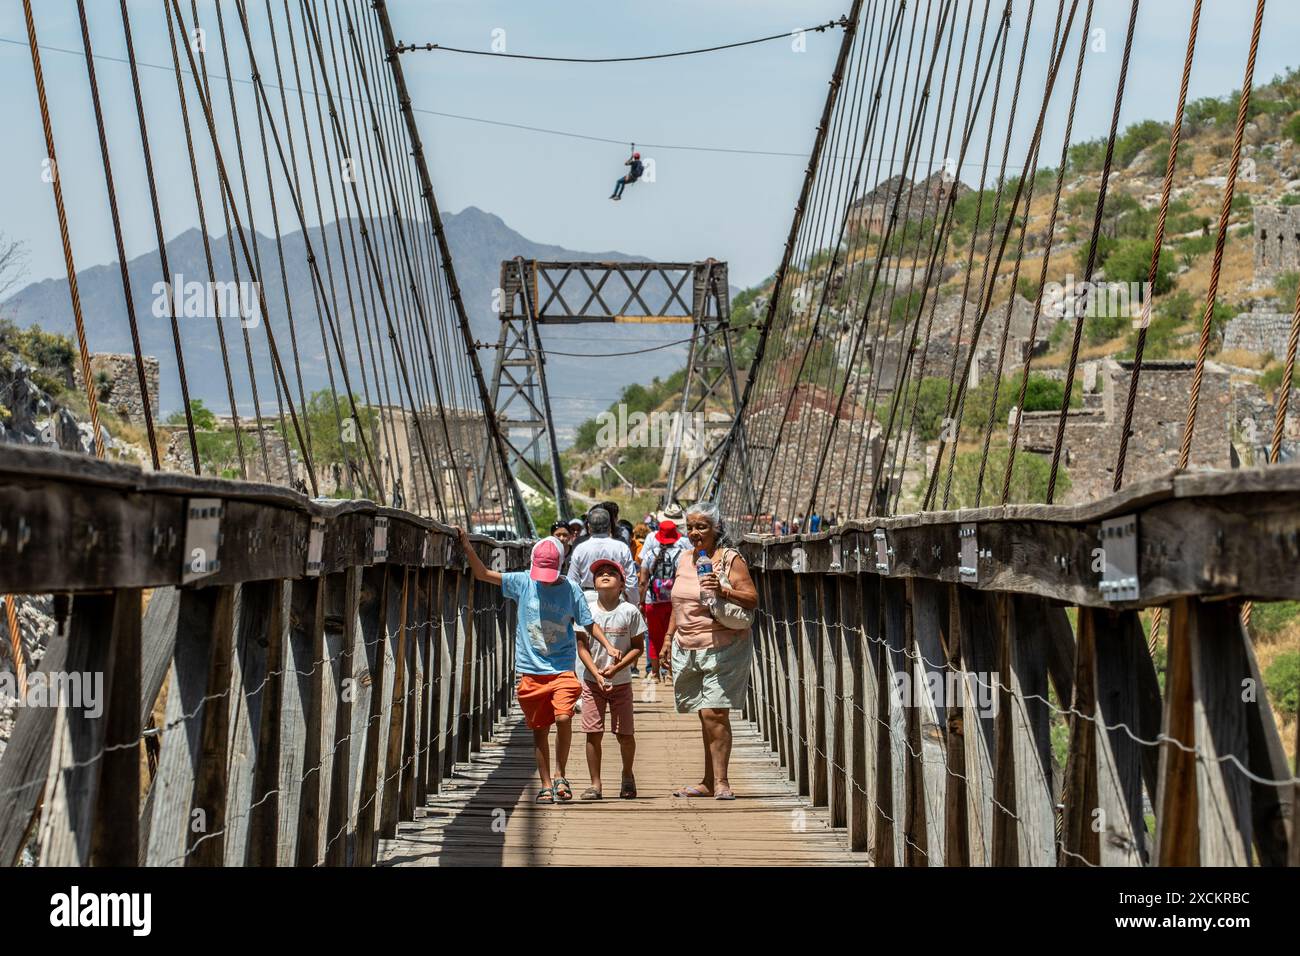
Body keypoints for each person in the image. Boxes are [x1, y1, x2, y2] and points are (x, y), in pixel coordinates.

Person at [457, 529, 621, 804]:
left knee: (564, 717)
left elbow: (587, 622)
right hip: (531, 670)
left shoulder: (570, 588)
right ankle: (546, 784)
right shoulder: (523, 582)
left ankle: (560, 774)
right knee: (540, 730)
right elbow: (483, 574)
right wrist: (465, 545)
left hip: (562, 668)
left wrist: (607, 645)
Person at [663, 501, 758, 801]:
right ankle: (707, 780)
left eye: (701, 526)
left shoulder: (730, 559)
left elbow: (752, 598)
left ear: (716, 528)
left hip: (724, 647)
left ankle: (721, 782)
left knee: (714, 712)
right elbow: (678, 603)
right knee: (704, 716)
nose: (694, 532)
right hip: (688, 647)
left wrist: (723, 589)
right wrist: (667, 639)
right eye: (690, 527)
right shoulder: (684, 559)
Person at [577, 559, 646, 800]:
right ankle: (595, 784)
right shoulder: (586, 612)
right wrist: (595, 673)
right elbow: (582, 647)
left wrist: (618, 668)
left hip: (622, 682)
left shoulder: (630, 611)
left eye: (611, 573)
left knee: (625, 734)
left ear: (622, 583)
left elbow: (638, 647)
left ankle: (627, 775)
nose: (605, 576)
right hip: (592, 681)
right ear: (594, 584)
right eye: (600, 574)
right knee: (592, 732)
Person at [637, 518, 689, 681]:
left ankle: (654, 673)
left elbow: (643, 581)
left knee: (654, 637)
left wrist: (641, 601)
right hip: (675, 602)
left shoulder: (650, 554)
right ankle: (671, 673)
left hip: (653, 601)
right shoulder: (682, 555)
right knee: (674, 636)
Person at [568, 507, 638, 605]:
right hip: (616, 600)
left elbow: (572, 582)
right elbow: (631, 581)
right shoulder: (621, 548)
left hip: (587, 601)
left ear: (589, 527)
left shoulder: (580, 549)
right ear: (609, 527)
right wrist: (633, 604)